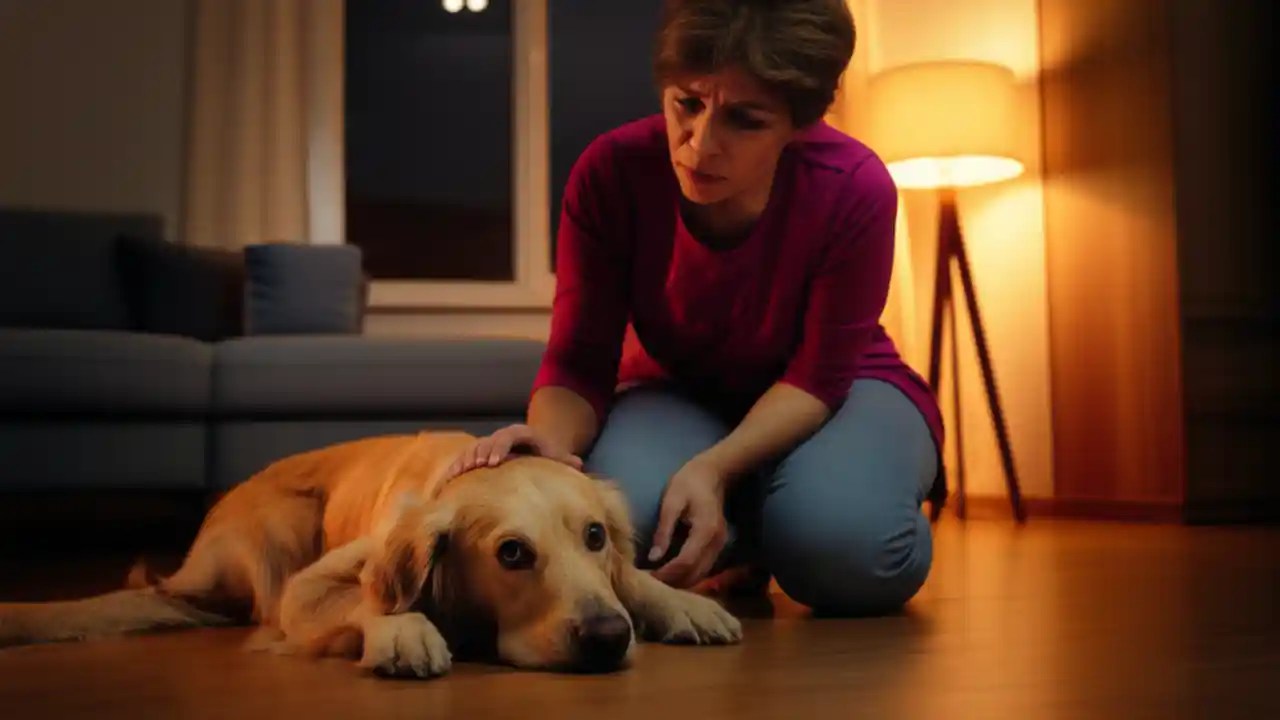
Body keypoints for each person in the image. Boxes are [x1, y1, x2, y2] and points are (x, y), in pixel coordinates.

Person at [446, 0, 944, 616]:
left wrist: (714, 469)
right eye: (687, 103)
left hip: (837, 390)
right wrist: (546, 450)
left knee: (847, 553)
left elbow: (818, 375)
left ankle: (812, 512)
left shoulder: (854, 185)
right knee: (616, 536)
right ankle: (766, 525)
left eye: (745, 120)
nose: (701, 143)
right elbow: (579, 360)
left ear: (799, 123)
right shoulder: (610, 173)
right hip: (676, 392)